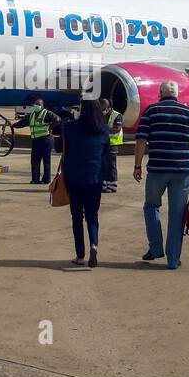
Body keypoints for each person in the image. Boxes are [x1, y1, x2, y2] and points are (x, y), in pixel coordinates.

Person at [133, 81, 189, 271]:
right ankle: (173, 259)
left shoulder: (151, 112)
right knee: (177, 215)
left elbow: (141, 140)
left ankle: (156, 248)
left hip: (157, 170)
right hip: (182, 172)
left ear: (160, 93)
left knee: (151, 206)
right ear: (177, 94)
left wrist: (137, 166)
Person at [62, 99, 110, 267]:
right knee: (92, 215)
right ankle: (94, 246)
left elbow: (62, 148)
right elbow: (106, 153)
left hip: (74, 178)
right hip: (94, 178)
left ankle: (80, 255)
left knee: (77, 217)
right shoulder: (104, 130)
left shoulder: (70, 127)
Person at [13, 96, 59, 184]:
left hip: (45, 140)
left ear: (42, 106)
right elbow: (22, 123)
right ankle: (35, 179)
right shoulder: (32, 115)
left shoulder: (47, 113)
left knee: (46, 161)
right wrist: (13, 125)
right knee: (34, 161)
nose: (36, 106)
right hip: (36, 140)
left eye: (38, 104)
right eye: (35, 104)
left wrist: (50, 127)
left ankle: (46, 180)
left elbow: (57, 119)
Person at [99, 97, 123, 194]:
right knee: (102, 165)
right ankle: (104, 185)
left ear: (109, 107)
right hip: (102, 143)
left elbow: (117, 129)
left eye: (104, 108)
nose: (102, 111)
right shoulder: (101, 115)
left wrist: (104, 128)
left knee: (111, 165)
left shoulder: (117, 115)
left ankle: (112, 185)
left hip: (113, 144)